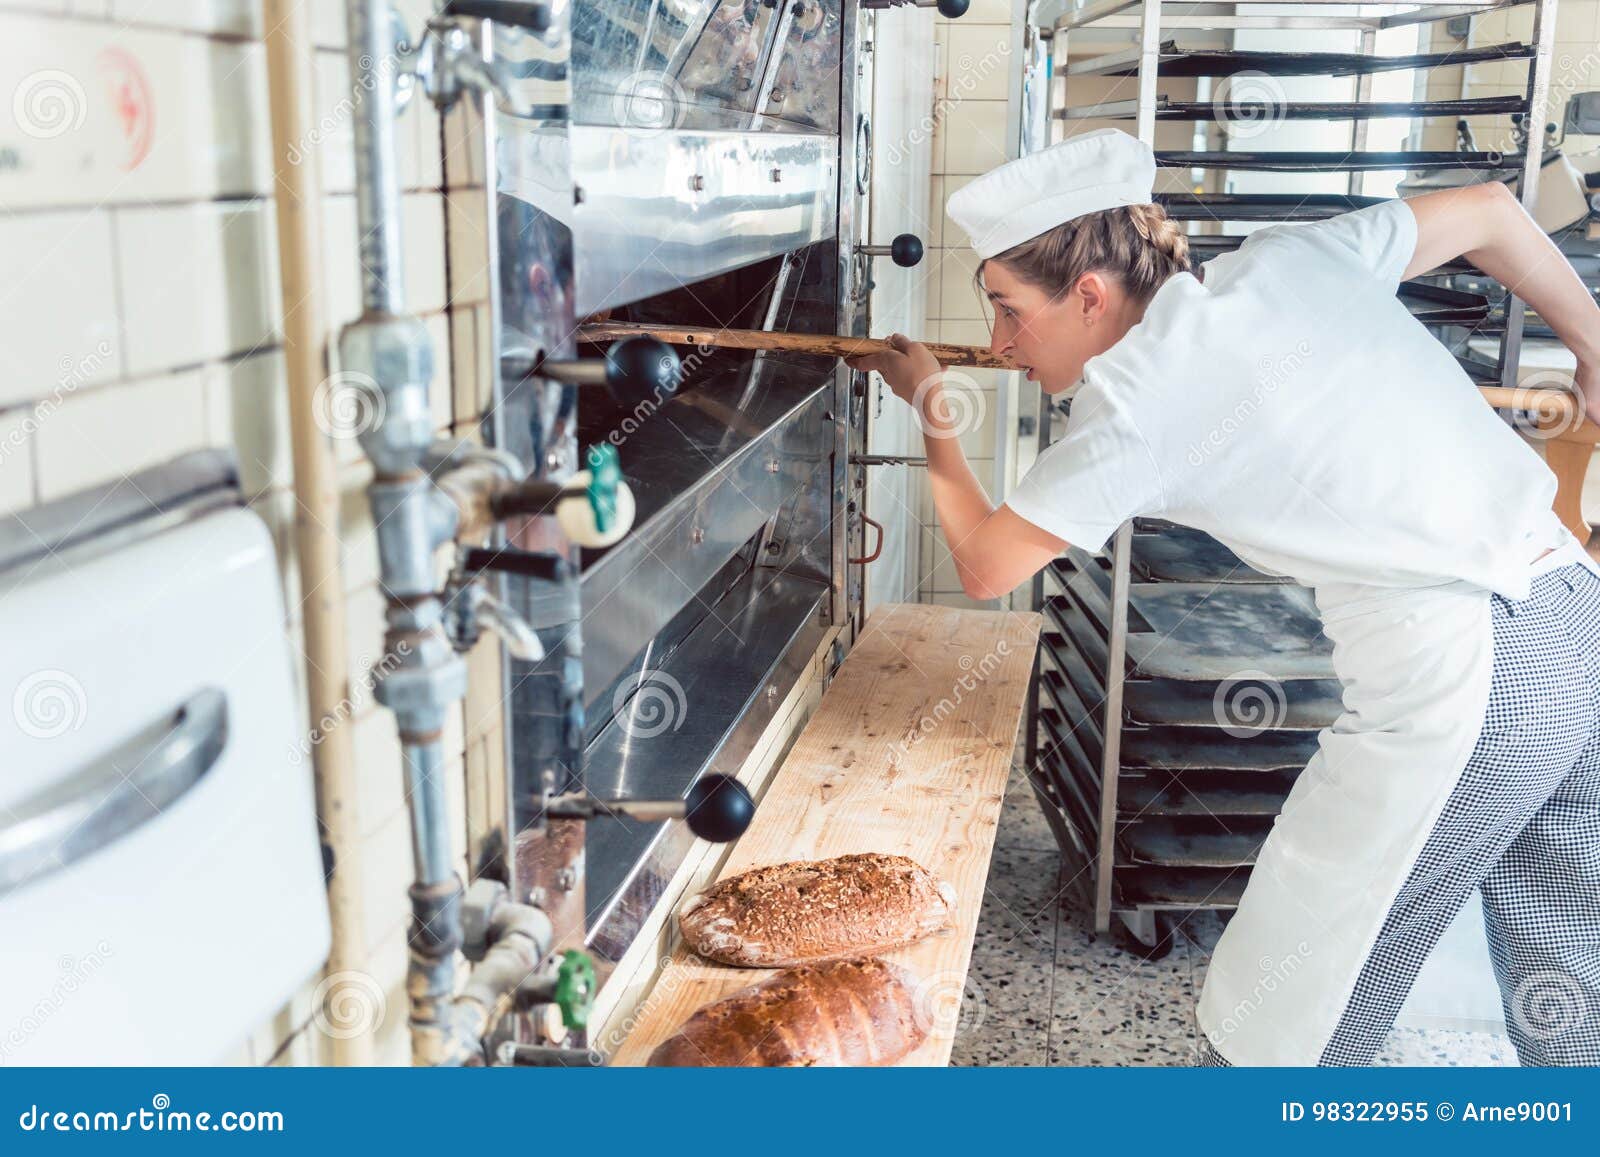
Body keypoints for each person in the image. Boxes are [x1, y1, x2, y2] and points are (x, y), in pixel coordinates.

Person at [847, 127, 1600, 1066]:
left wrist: (928, 405)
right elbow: (1493, 211)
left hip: (1470, 681)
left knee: (1291, 1010)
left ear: (1089, 294)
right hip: (1575, 613)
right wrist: (1594, 346)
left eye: (1008, 310)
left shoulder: (1136, 400)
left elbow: (986, 566)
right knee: (1565, 964)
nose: (1000, 343)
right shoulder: (1283, 261)